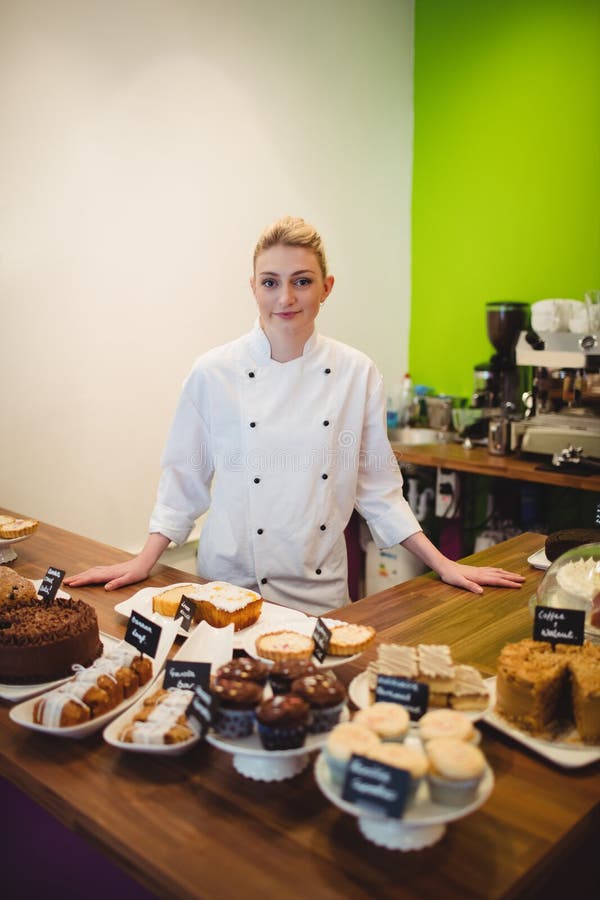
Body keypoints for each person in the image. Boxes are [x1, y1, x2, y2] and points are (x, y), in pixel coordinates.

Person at [65, 216, 524, 612]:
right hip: (224, 585)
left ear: (326, 287)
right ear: (253, 288)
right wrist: (144, 561)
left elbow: (378, 489)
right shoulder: (214, 372)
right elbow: (183, 480)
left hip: (317, 593)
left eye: (301, 281)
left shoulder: (355, 373)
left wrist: (444, 565)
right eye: (270, 282)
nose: (285, 297)